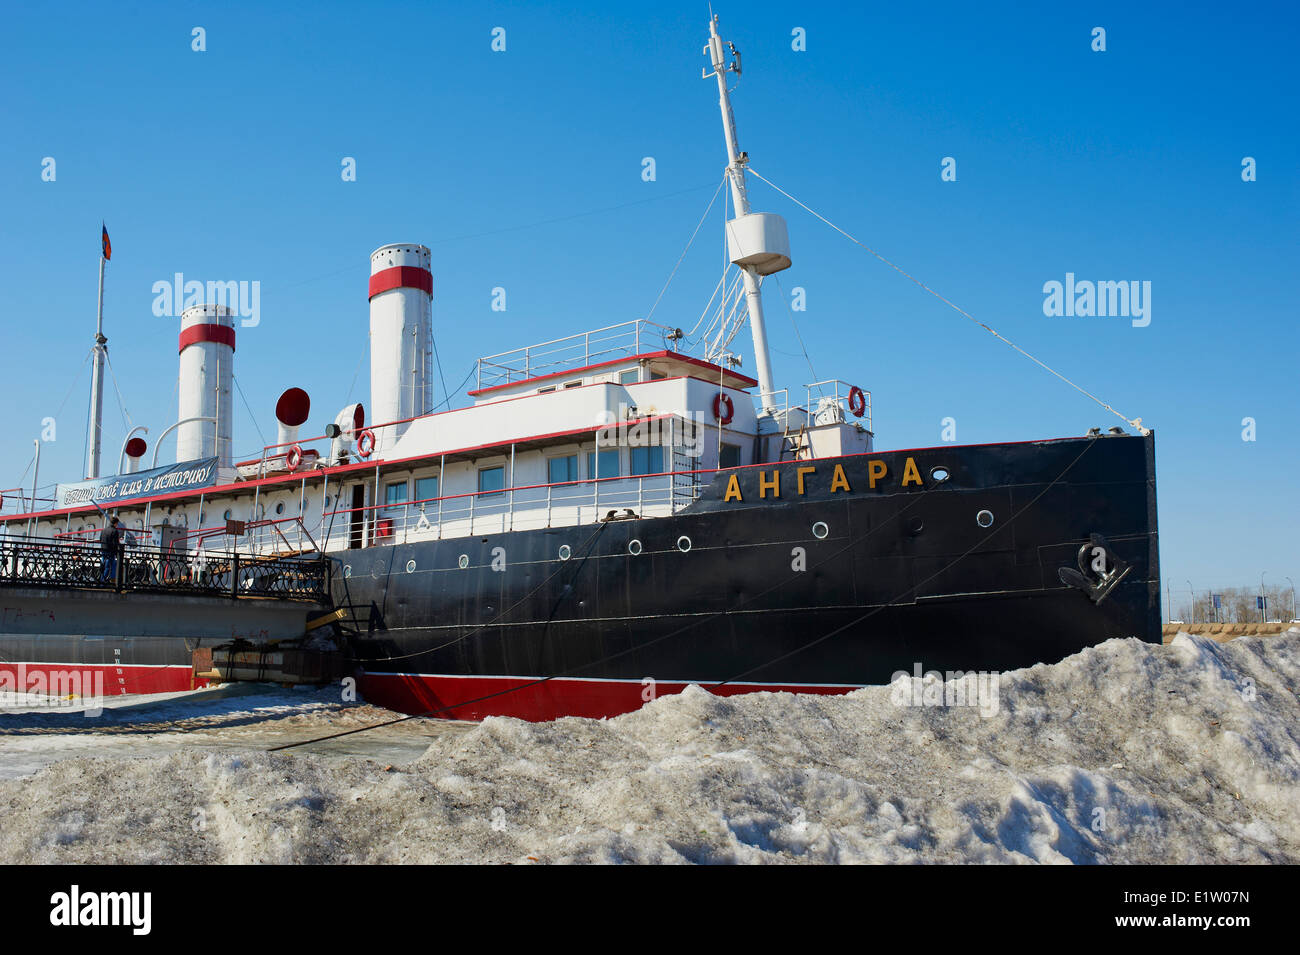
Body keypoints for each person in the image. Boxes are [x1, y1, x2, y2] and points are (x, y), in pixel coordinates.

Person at [99, 516, 121, 583]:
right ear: (115, 523)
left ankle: (101, 580)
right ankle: (107, 581)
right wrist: (117, 552)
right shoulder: (115, 531)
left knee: (103, 566)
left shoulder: (103, 530)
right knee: (110, 567)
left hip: (103, 550)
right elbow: (115, 543)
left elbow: (100, 539)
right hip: (110, 551)